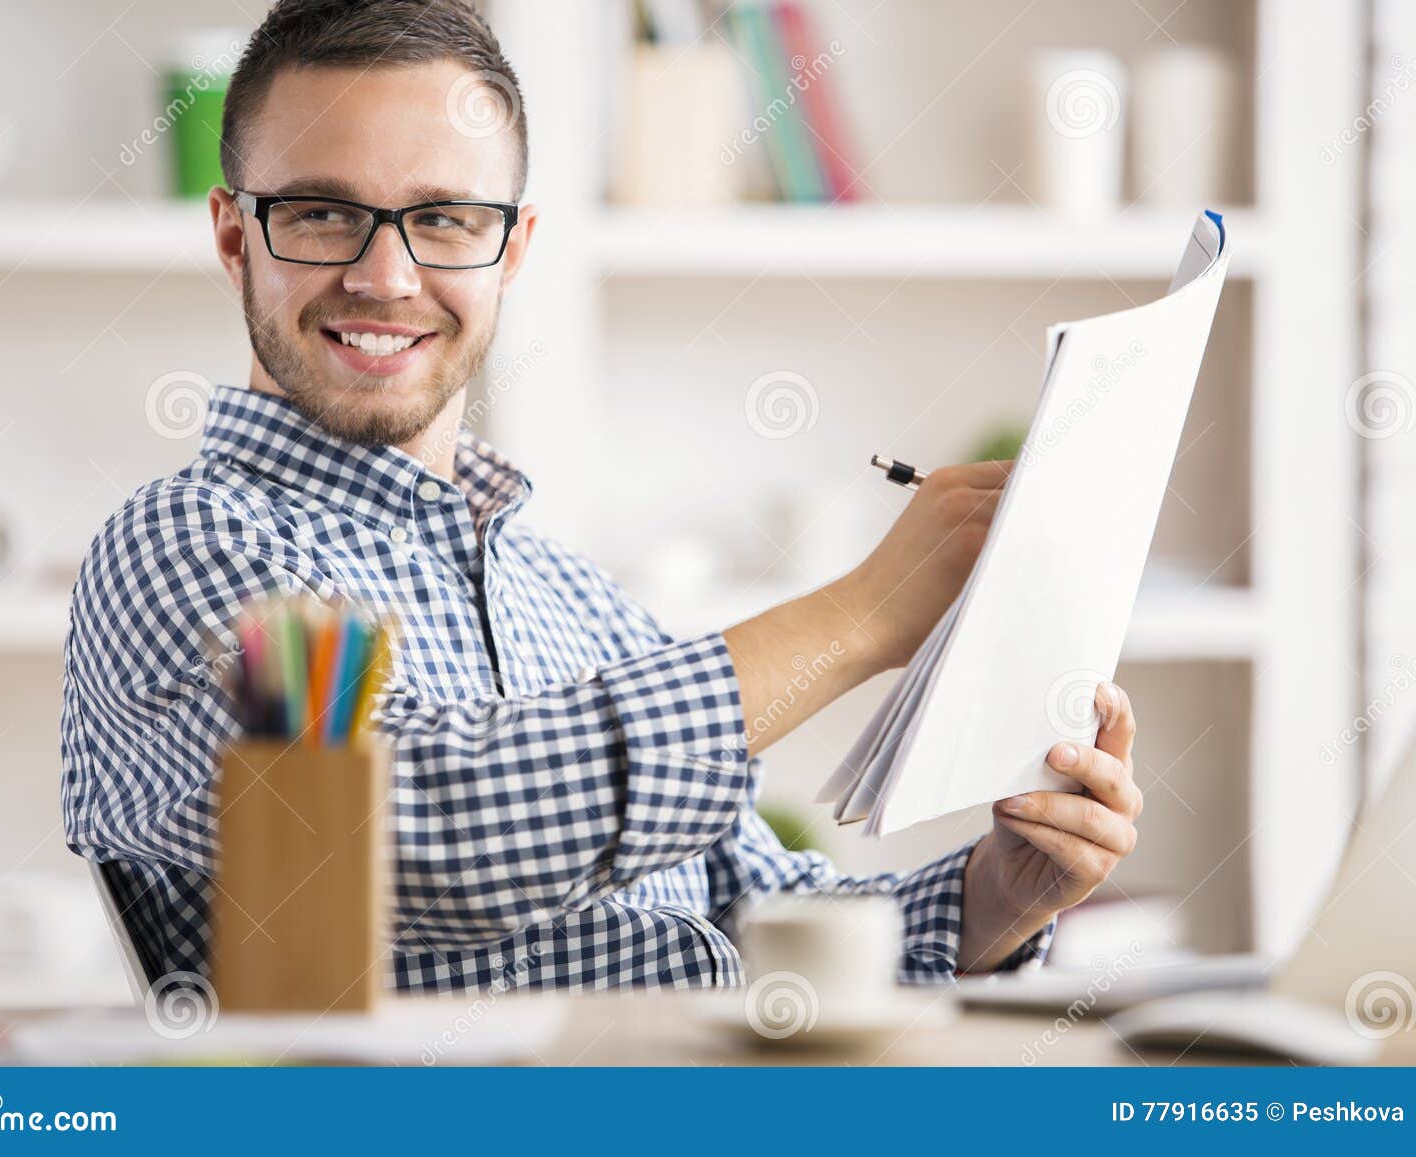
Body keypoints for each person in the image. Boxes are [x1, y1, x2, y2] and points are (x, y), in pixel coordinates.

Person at [61, 0, 1143, 995]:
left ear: (513, 248)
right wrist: (859, 616)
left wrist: (997, 895)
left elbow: (775, 921)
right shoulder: (185, 541)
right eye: (320, 213)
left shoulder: (573, 598)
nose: (385, 276)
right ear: (231, 234)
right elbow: (411, 831)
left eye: (443, 218)